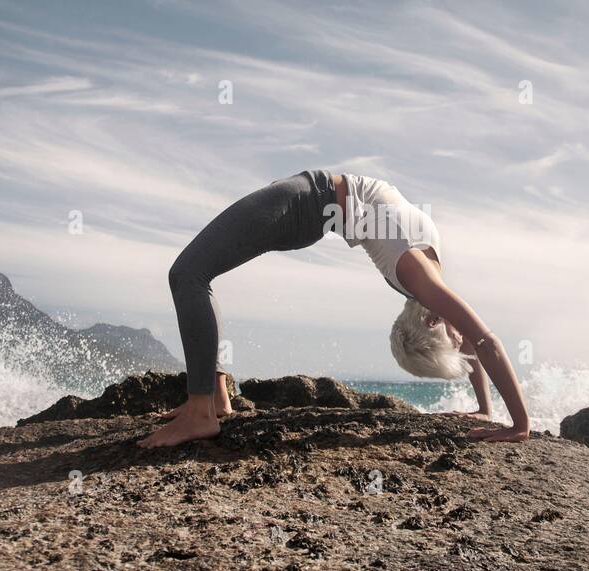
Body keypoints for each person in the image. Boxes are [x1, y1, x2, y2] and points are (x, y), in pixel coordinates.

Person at [138, 170, 529, 447]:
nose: (455, 333)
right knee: (195, 274)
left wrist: (499, 414)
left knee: (188, 274)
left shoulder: (422, 277)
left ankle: (200, 411)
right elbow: (482, 341)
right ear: (431, 321)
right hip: (310, 201)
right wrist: (512, 420)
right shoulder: (421, 278)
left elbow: (471, 342)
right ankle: (214, 398)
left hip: (308, 201)